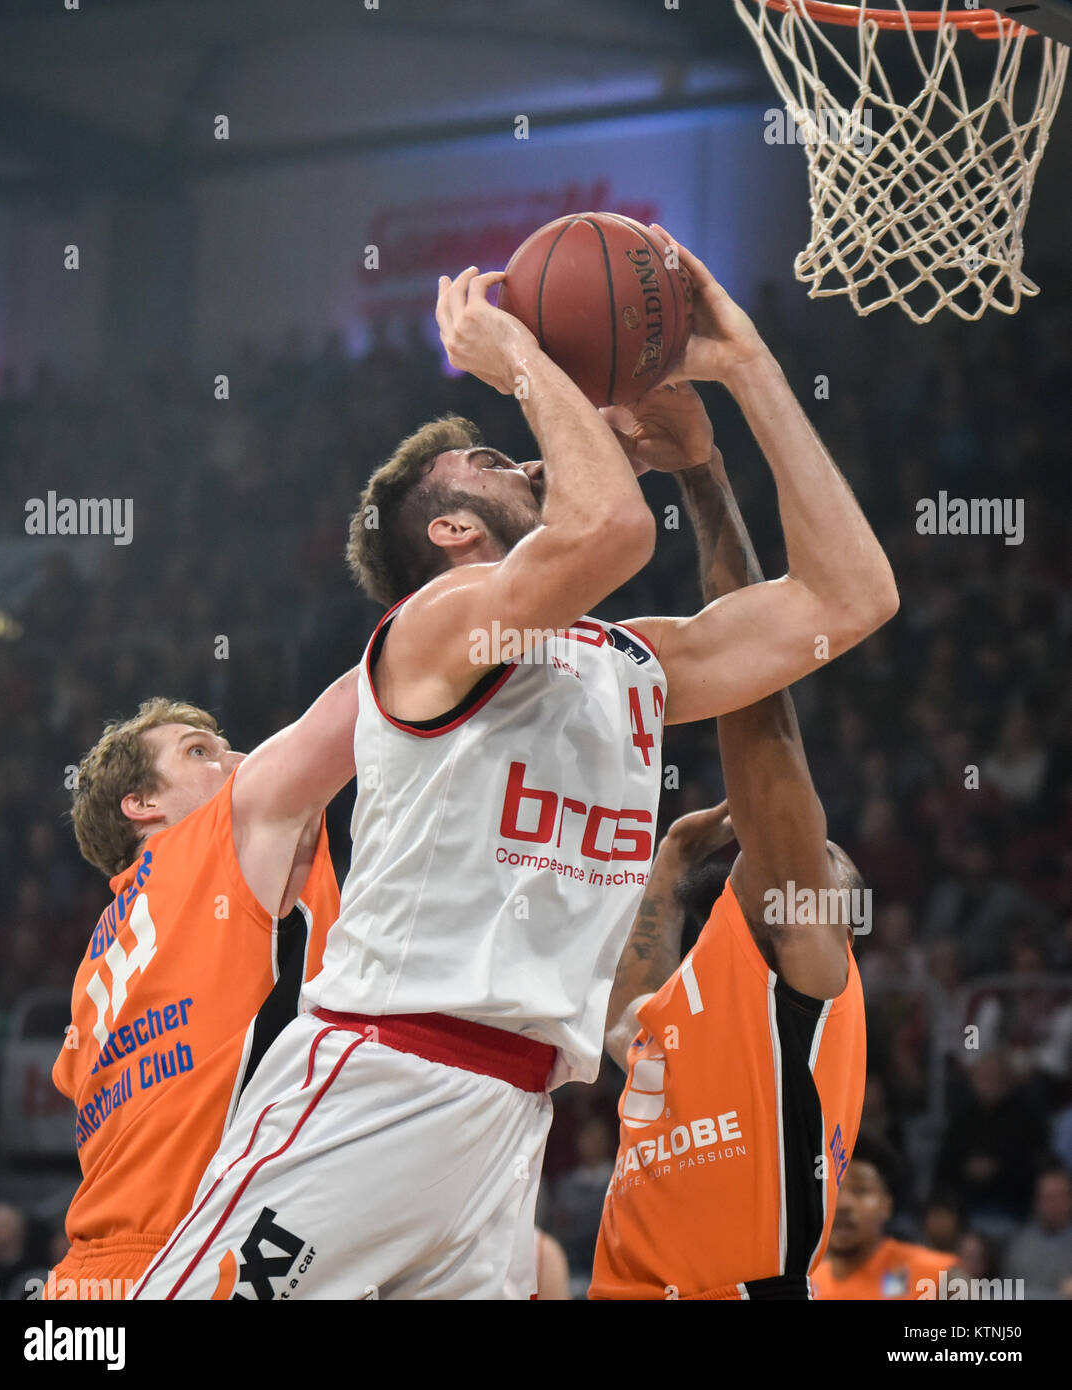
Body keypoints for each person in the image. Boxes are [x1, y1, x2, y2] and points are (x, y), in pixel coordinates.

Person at [136, 231, 897, 1300]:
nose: (529, 455)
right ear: (451, 528)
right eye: (493, 462)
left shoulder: (625, 663)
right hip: (378, 1076)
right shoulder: (436, 627)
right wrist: (518, 360)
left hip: (509, 1122)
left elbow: (849, 600)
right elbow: (609, 534)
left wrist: (747, 371)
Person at [591, 435, 866, 1301]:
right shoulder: (689, 1010)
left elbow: (762, 706)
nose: (802, 857)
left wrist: (703, 478)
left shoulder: (808, 977)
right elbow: (619, 1021)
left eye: (820, 861)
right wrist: (670, 863)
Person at [47, 670, 357, 1299]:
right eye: (199, 752)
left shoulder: (94, 967)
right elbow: (384, 690)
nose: (236, 760)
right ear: (142, 804)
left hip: (84, 1281)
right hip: (207, 1256)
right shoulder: (222, 834)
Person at [813, 1136, 958, 1299]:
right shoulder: (804, 1285)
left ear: (886, 1206)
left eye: (860, 1190)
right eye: (832, 1190)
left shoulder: (934, 1275)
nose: (843, 1204)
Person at [1001, 1166, 1072, 1299]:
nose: (1055, 1204)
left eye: (1060, 1196)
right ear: (1037, 1202)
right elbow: (1007, 1290)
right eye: (1048, 1198)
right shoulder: (1018, 1244)